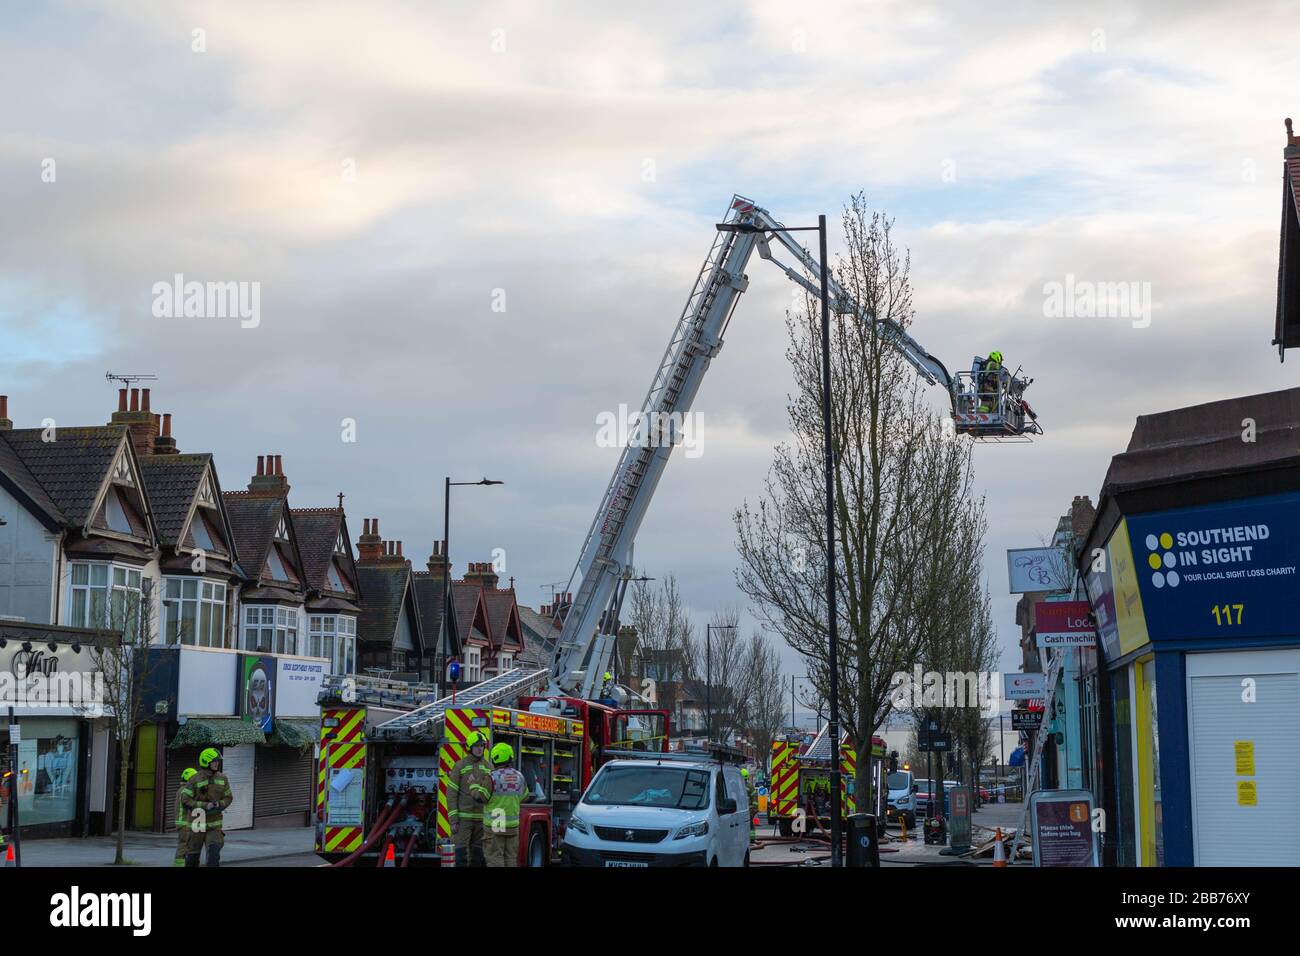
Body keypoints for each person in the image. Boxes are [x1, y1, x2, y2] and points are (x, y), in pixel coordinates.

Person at [448, 731, 492, 867]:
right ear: (470, 747)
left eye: (482, 745)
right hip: (463, 820)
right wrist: (453, 820)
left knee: (478, 858)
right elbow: (451, 793)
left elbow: (493, 796)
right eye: (476, 746)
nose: (480, 748)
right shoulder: (460, 766)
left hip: (482, 820)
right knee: (461, 856)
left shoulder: (489, 767)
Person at [484, 742, 531, 868]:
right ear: (510, 757)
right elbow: (525, 796)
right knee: (510, 857)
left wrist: (473, 786)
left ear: (495, 758)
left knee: (495, 856)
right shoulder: (519, 776)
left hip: (497, 821)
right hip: (513, 824)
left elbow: (481, 797)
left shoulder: (492, 777)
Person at [186, 748, 233, 867]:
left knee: (213, 857)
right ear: (206, 762)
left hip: (214, 825)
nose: (217, 763)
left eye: (218, 761)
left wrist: (220, 804)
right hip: (198, 822)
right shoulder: (194, 779)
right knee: (192, 857)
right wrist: (204, 805)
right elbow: (185, 800)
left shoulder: (223, 778)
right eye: (214, 761)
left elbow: (228, 797)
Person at [172, 768, 199, 867]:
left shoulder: (181, 790)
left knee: (184, 847)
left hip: (183, 823)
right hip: (186, 824)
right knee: (184, 848)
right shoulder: (187, 791)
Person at [741, 768, 758, 842]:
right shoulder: (750, 786)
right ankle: (751, 838)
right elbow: (754, 798)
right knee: (750, 824)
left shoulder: (735, 785)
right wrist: (754, 809)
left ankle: (749, 838)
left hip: (743, 809)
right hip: (749, 809)